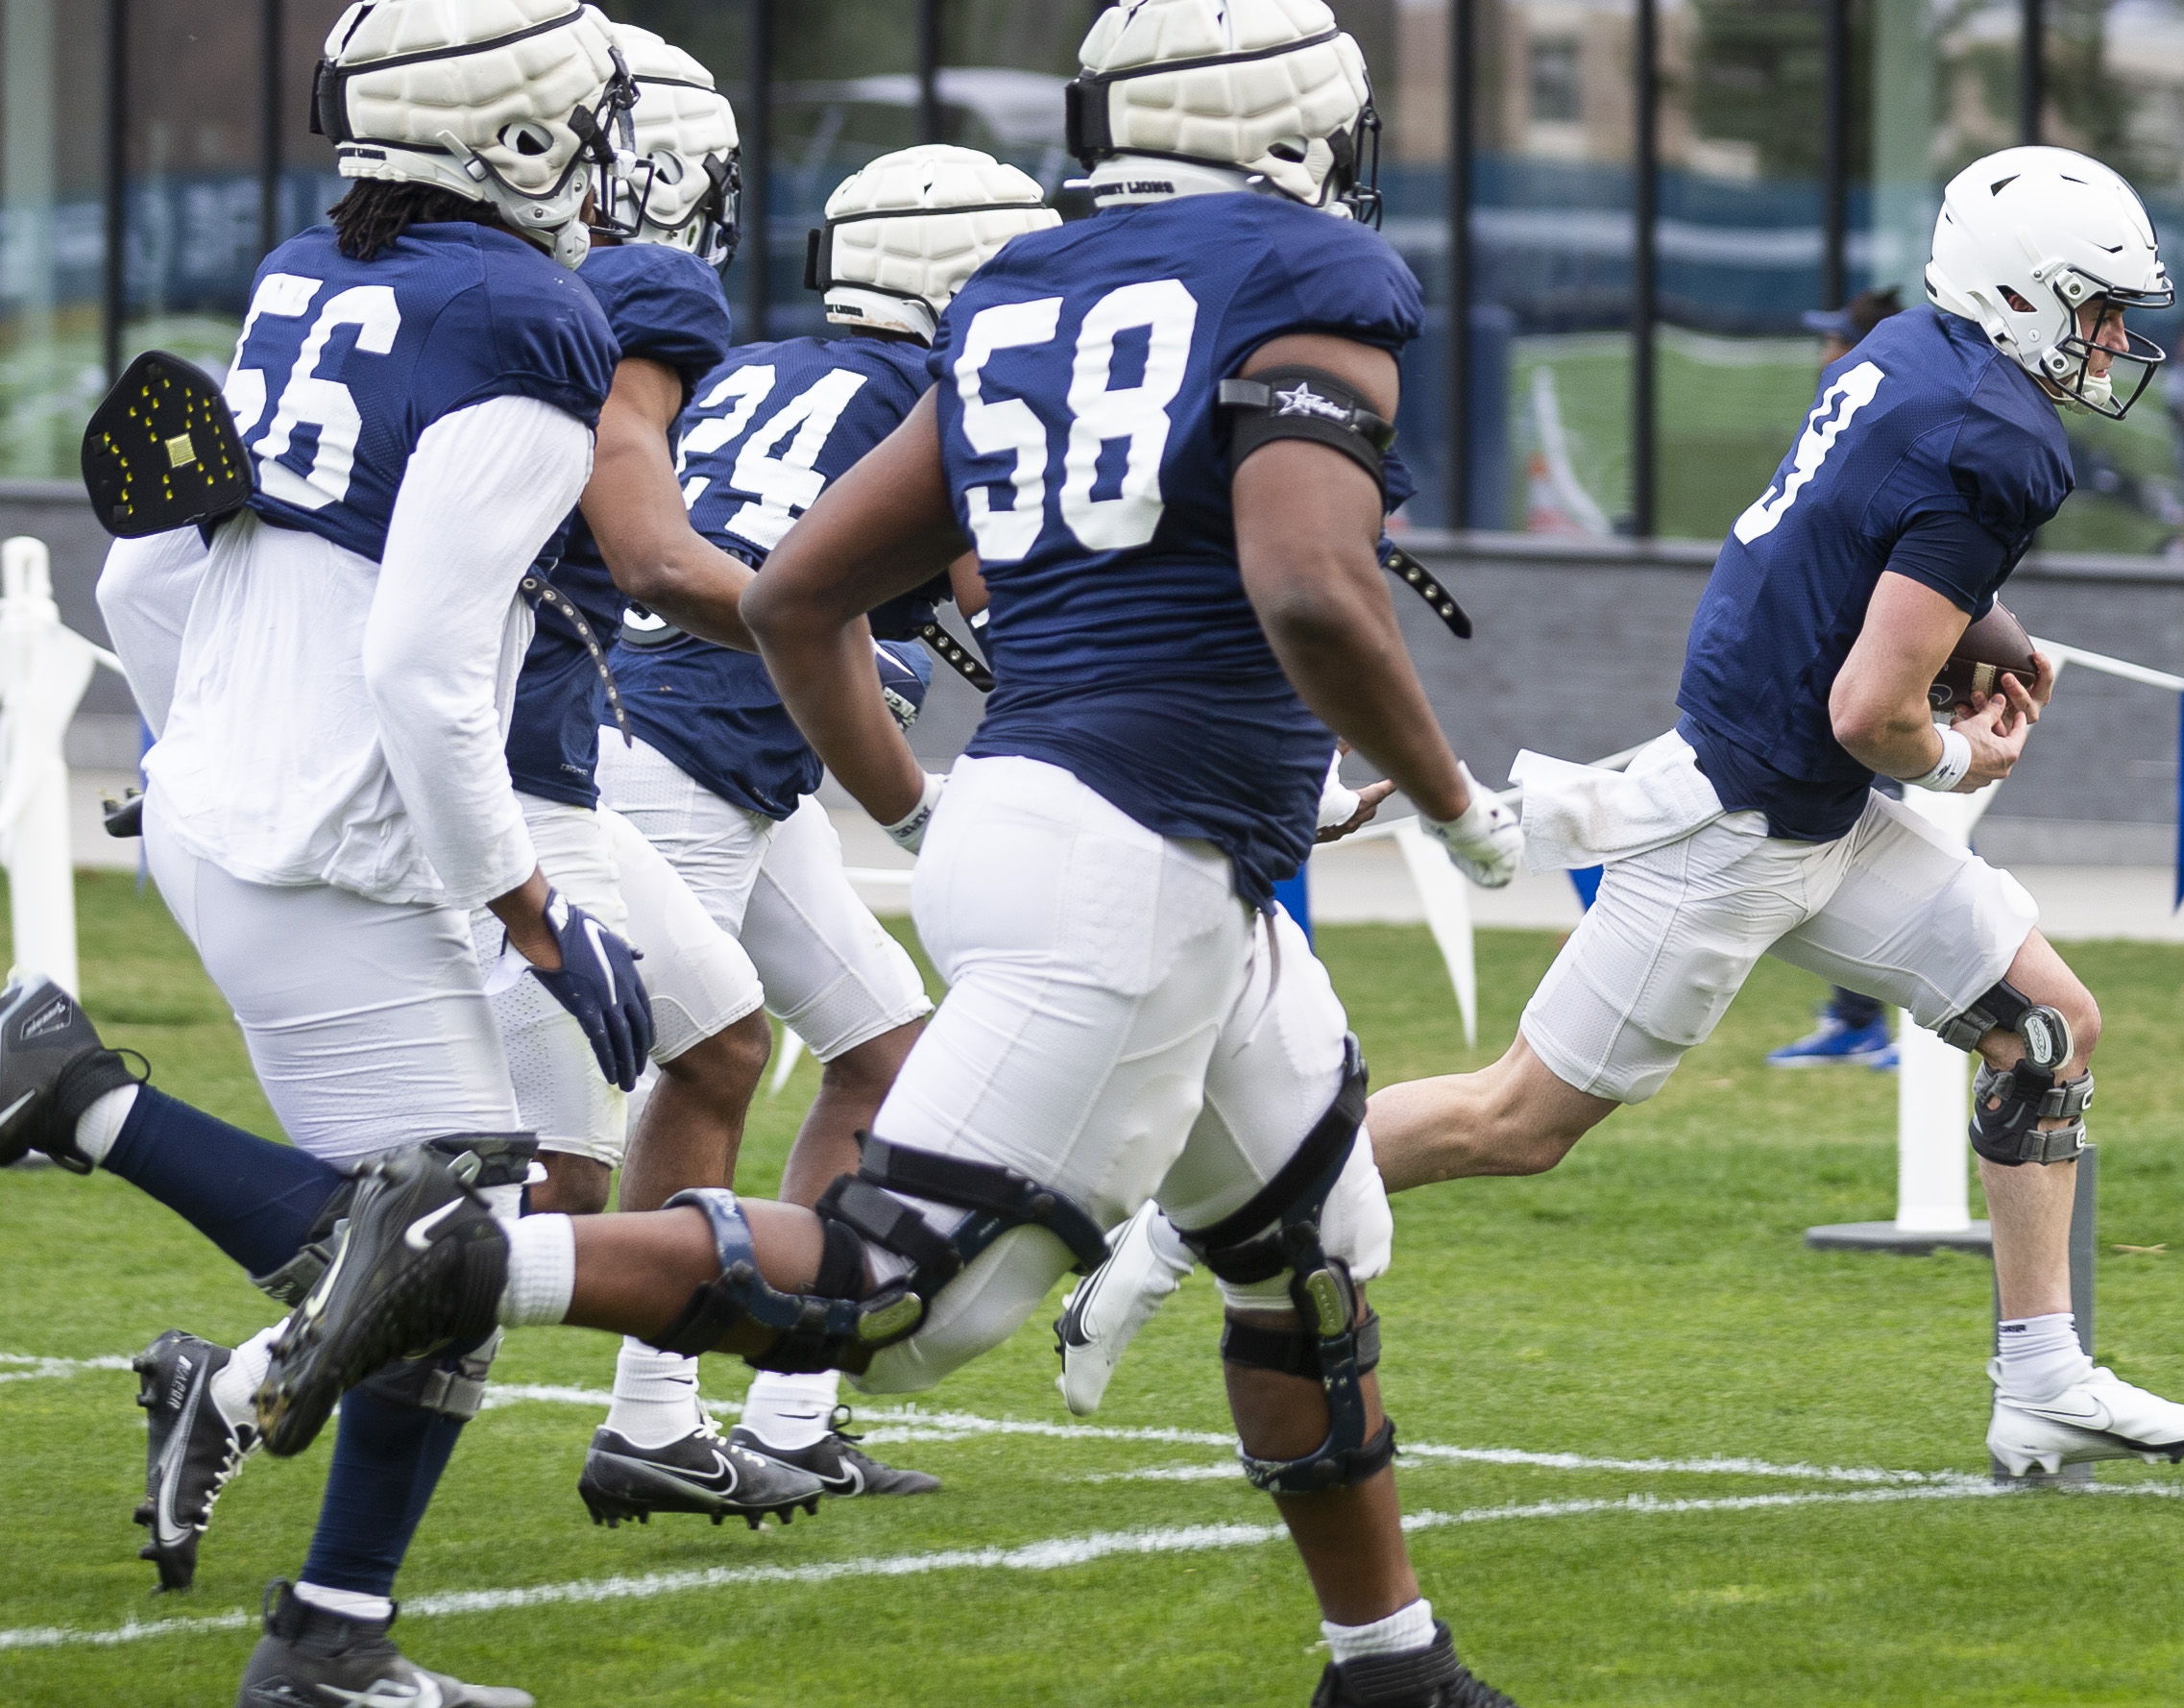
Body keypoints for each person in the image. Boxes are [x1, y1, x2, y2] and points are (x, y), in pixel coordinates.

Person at [255, 3, 1526, 1700]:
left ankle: (1389, 1660)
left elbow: (792, 594)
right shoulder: (1309, 274)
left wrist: (919, 811)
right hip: (1132, 865)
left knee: (1308, 1255)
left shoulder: (1017, 295)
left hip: (1095, 833)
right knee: (894, 1295)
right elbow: (1306, 584)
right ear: (1300, 132)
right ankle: (467, 1253)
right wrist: (1446, 796)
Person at [1058, 147, 2184, 1481]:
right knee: (1512, 1122)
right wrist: (1955, 763)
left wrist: (1982, 627)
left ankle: (2039, 1382)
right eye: (2093, 307)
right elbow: (1872, 709)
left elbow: (1851, 544)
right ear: (2024, 294)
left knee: (2045, 1028)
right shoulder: (1997, 436)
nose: (2111, 339)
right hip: (1739, 823)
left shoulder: (1910, 354)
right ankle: (1169, 1227)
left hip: (1801, 801)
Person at [41, 4, 643, 1702]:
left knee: (436, 1236)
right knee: (448, 1243)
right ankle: (327, 1644)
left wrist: (189, 750)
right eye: (574, 123)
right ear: (510, 140)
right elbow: (421, 673)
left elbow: (152, 574)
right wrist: (530, 910)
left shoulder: (307, 272)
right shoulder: (534, 320)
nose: (595, 157)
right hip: (331, 841)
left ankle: (333, 1630)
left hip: (237, 803)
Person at [586, 140, 1057, 1502]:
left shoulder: (755, 366)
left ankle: (792, 1413)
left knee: (886, 1049)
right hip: (680, 758)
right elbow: (1019, 611)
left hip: (702, 744)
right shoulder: (946, 403)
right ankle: (650, 1418)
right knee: (609, 1105)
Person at [1770, 281, 1909, 1071]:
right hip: (1829, 680)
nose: (1823, 353)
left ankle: (1868, 1026)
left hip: (1860, 687)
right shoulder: (1846, 428)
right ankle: (1856, 1022)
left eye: (1835, 340)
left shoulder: (1878, 439)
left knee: (1856, 854)